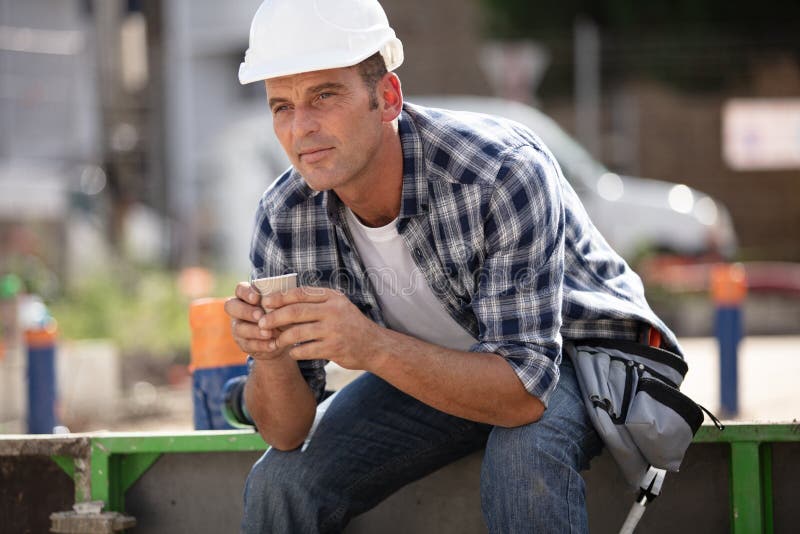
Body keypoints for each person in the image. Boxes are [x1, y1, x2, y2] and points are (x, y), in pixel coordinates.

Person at [224, 0, 682, 532]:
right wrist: (271, 354)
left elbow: (522, 393)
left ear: (387, 98)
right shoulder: (286, 216)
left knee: (524, 453)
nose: (301, 127)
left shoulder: (498, 173)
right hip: (432, 365)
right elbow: (285, 432)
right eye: (282, 106)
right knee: (280, 482)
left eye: (324, 96)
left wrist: (369, 344)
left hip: (569, 355)